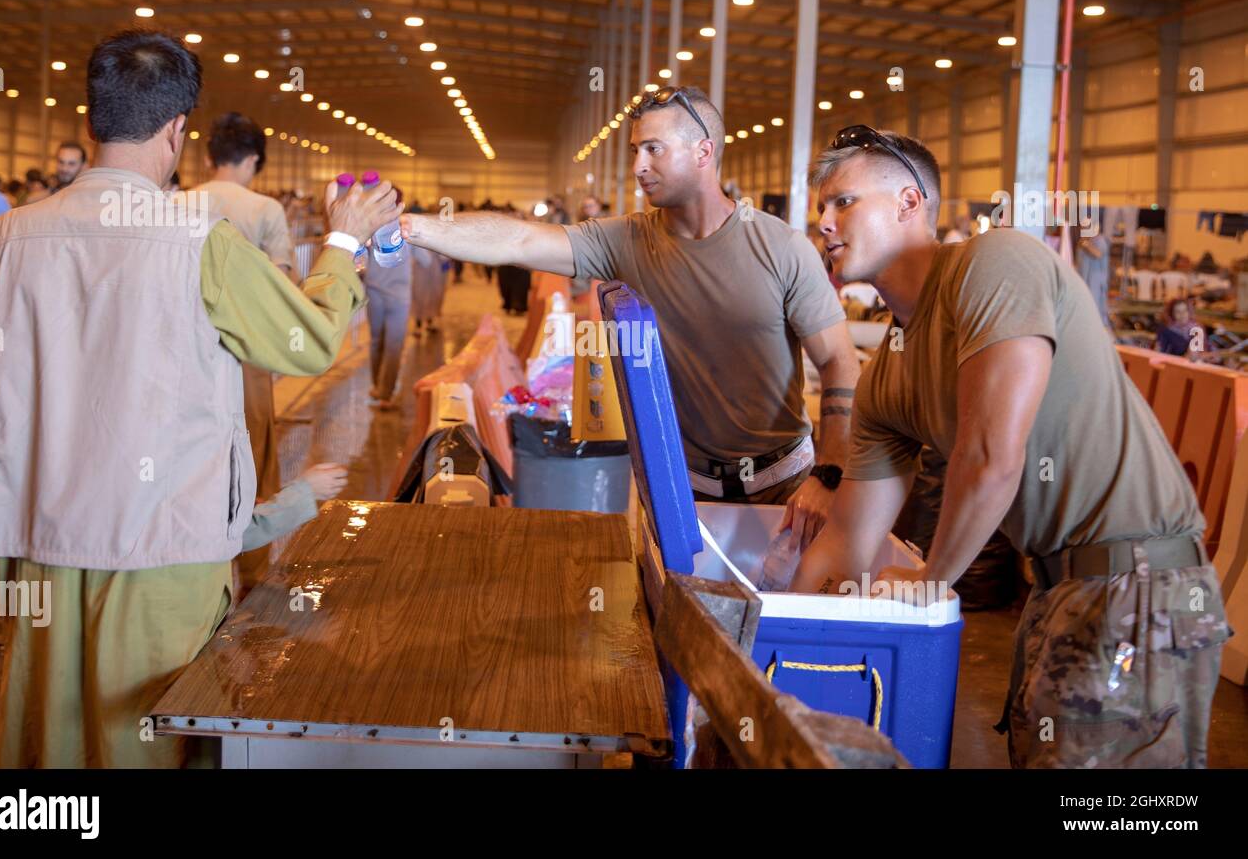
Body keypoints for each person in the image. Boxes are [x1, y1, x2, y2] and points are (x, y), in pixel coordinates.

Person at [0, 29, 398, 768]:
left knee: (52, 745)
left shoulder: (7, 236)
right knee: (146, 742)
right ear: (176, 130)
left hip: (39, 546)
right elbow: (308, 342)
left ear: (90, 122)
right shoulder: (201, 239)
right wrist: (345, 244)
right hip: (159, 552)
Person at [791, 125, 1228, 768]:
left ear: (910, 202)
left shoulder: (993, 264)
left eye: (843, 202)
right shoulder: (889, 373)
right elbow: (848, 537)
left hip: (1139, 586)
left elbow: (992, 457)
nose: (823, 223)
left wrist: (929, 580)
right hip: (1056, 588)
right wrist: (775, 630)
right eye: (819, 209)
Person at [401, 85, 859, 541]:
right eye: (636, 150)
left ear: (704, 151)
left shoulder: (782, 248)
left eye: (654, 149)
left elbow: (839, 360)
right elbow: (518, 240)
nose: (638, 166)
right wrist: (413, 227)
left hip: (787, 489)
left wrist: (830, 473)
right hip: (680, 491)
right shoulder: (623, 241)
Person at [193, 112, 299, 595]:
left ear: (208, 154)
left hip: (189, 355)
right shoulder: (264, 209)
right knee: (254, 462)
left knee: (195, 464)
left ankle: (200, 578)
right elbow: (279, 285)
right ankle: (252, 578)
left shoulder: (179, 202)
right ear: (254, 158)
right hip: (246, 356)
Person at [363, 187, 412, 409]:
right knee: (393, 344)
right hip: (399, 295)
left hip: (374, 290)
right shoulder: (409, 226)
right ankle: (385, 393)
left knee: (376, 341)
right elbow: (427, 259)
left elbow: (360, 258)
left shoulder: (370, 225)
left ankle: (377, 386)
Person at [1074, 217, 1111, 328]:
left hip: (1095, 283)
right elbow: (1078, 262)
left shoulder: (1099, 240)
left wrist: (1086, 245)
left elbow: (1098, 254)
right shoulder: (1084, 242)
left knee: (1095, 309)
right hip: (1084, 281)